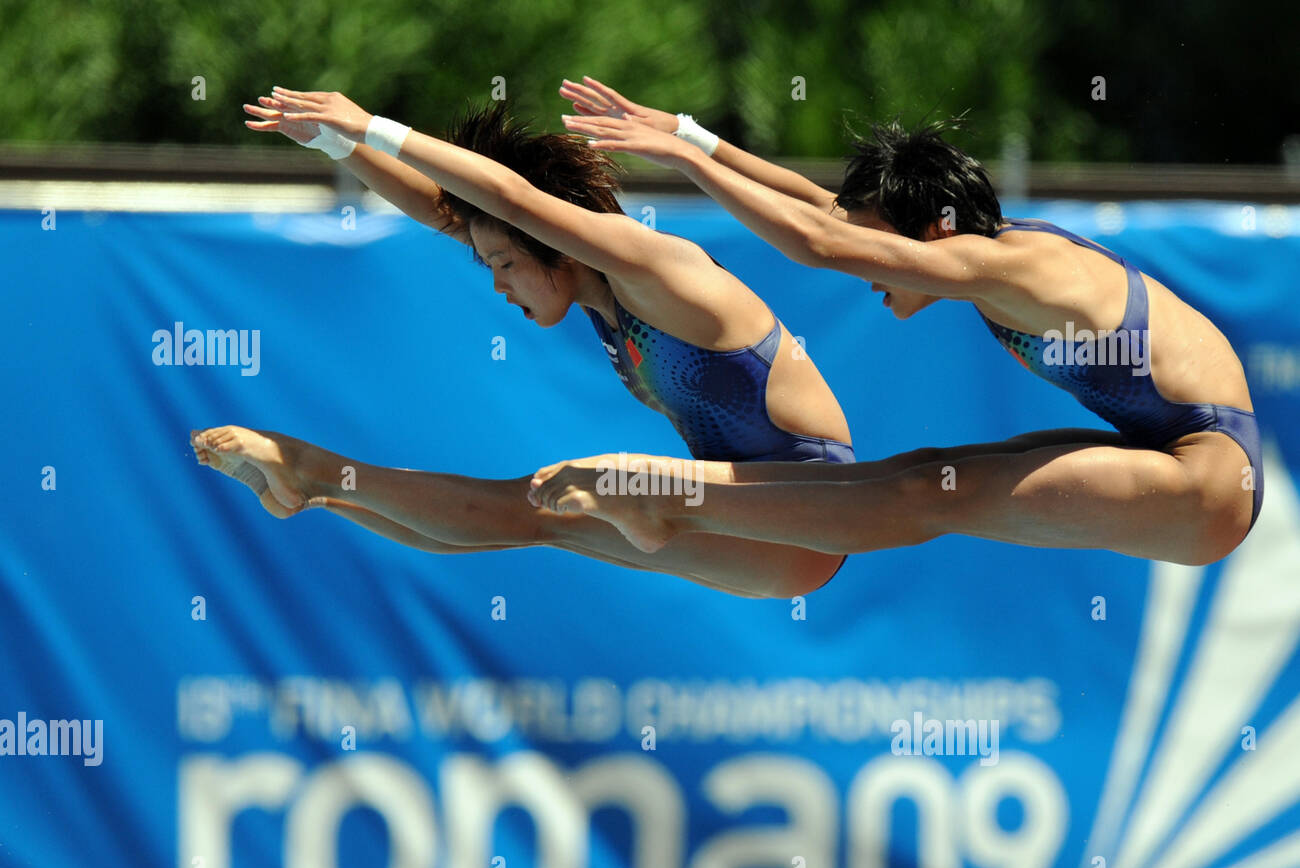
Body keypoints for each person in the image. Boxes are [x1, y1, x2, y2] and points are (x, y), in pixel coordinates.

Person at [538, 78, 1262, 565]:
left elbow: (822, 242)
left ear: (933, 233)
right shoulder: (984, 251)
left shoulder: (1015, 265)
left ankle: (674, 507)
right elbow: (826, 216)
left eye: (881, 250)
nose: (868, 275)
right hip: (1174, 452)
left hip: (1208, 482)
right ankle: (679, 507)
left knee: (922, 495)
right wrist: (694, 136)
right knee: (922, 472)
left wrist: (680, 162)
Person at [191, 90, 856, 598]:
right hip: (756, 520)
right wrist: (339, 146)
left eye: (505, 264)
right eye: (490, 267)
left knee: (550, 499)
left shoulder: (652, 267)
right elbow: (457, 212)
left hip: (809, 507)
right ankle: (318, 487)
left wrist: (373, 125)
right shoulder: (596, 290)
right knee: (528, 514)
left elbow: (512, 200)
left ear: (555, 245)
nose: (500, 285)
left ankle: (312, 470)